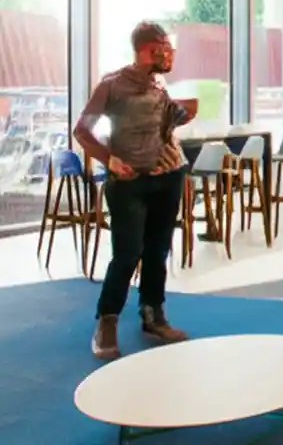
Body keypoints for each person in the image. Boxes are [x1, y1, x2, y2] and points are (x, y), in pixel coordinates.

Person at [74, 22, 197, 360]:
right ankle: (107, 320)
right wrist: (109, 159)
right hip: (129, 182)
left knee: (157, 250)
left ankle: (153, 314)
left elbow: (164, 122)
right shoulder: (112, 85)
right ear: (147, 47)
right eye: (163, 46)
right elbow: (82, 131)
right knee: (128, 253)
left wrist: (180, 114)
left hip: (169, 175)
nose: (168, 52)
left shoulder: (159, 84)